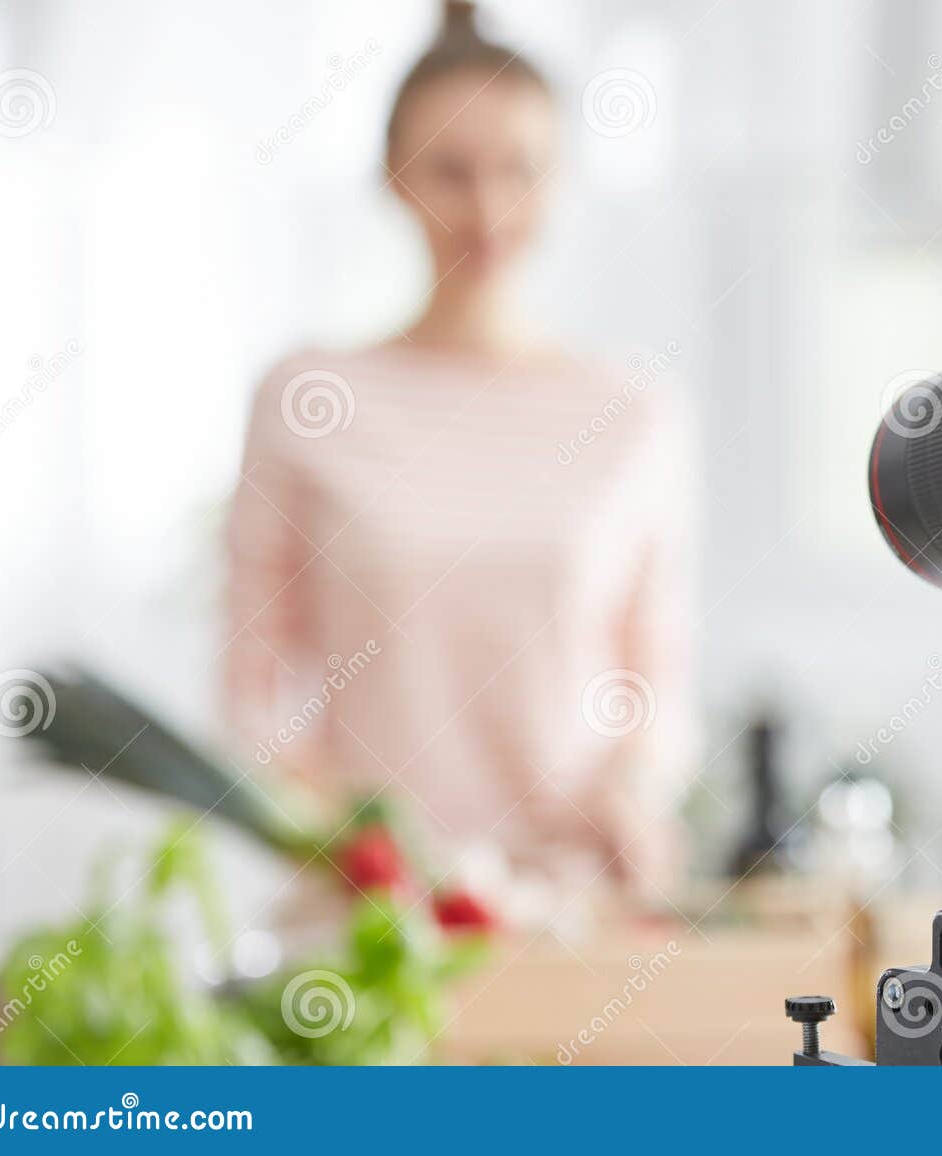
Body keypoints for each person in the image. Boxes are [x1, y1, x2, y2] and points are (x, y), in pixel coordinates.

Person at [224, 2, 698, 921]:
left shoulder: (635, 413)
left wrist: (634, 795)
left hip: (572, 918)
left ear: (561, 183)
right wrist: (344, 839)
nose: (487, 209)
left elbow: (657, 686)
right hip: (365, 925)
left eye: (520, 171)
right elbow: (254, 689)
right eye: (450, 171)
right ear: (394, 177)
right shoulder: (305, 399)